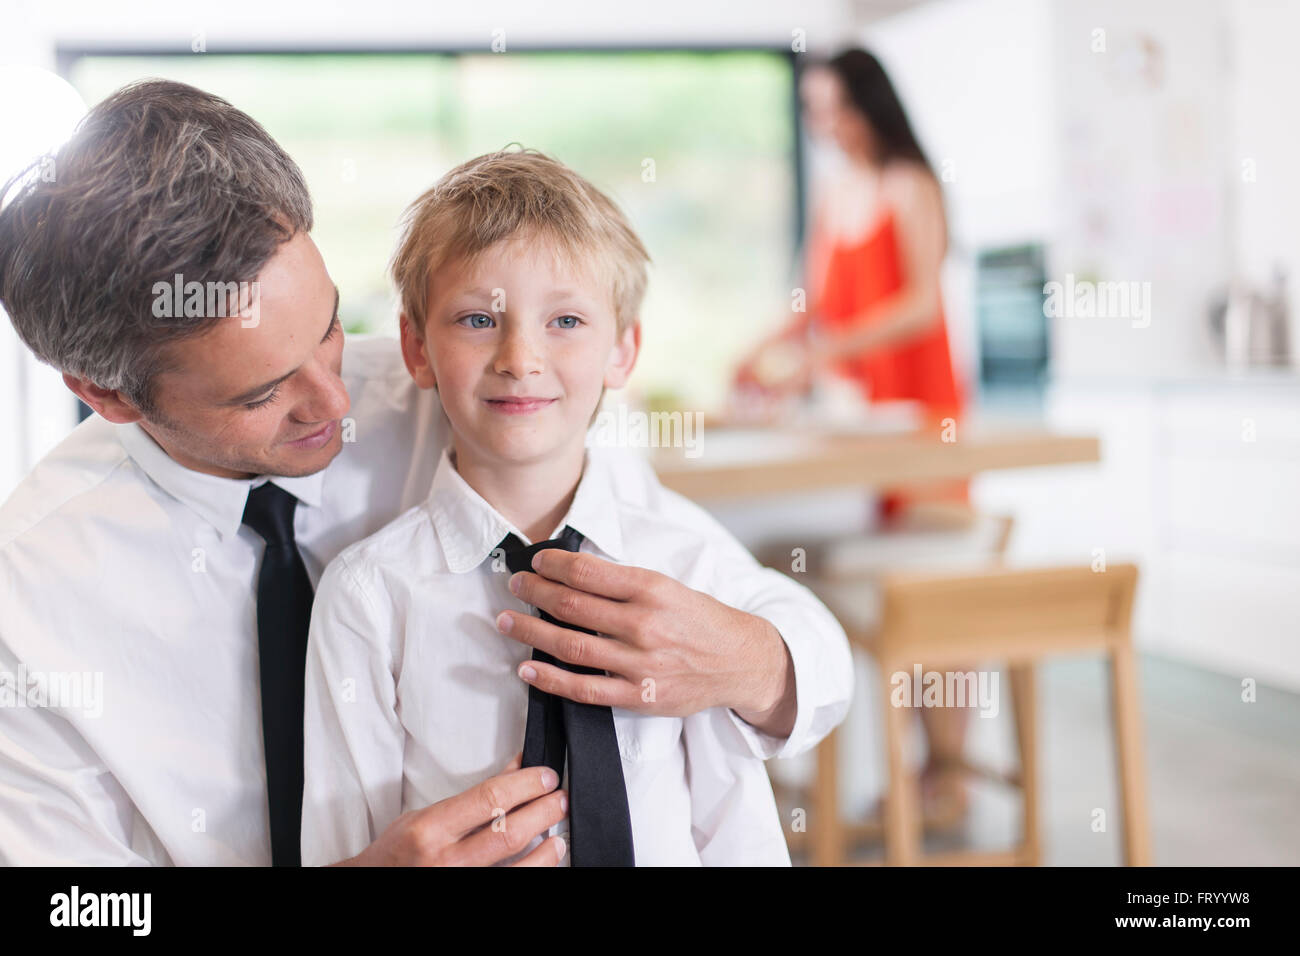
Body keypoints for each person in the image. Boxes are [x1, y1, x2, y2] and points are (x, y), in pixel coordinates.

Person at [0, 80, 852, 866]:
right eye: (264, 392)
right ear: (105, 395)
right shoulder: (33, 596)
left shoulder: (482, 397)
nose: (335, 399)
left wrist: (753, 662)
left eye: (331, 329)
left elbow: (732, 614)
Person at [301, 150, 796, 866]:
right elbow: (345, 846)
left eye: (565, 320)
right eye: (477, 319)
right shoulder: (368, 598)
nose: (520, 356)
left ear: (623, 350)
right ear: (416, 347)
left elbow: (738, 832)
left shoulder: (685, 574)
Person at [734, 49, 974, 825]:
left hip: (925, 415)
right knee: (883, 570)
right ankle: (885, 781)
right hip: (864, 426)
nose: (825, 124)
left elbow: (919, 304)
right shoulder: (836, 193)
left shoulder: (912, 186)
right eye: (814, 110)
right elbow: (811, 303)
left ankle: (946, 772)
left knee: (933, 587)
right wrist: (763, 350)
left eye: (835, 106)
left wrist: (819, 355)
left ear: (871, 106)